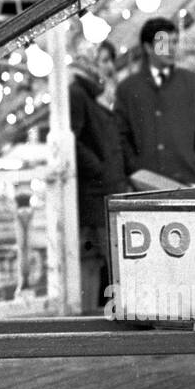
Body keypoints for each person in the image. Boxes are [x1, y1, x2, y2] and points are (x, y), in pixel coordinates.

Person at [114, 17, 195, 186]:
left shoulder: (194, 84)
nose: (171, 49)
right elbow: (121, 136)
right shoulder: (128, 89)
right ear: (148, 47)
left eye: (174, 42)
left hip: (189, 182)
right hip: (144, 185)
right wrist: (135, 168)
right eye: (164, 42)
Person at [68, 40, 131, 308]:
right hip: (97, 191)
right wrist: (100, 168)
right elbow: (76, 139)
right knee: (110, 256)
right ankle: (107, 314)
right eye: (100, 60)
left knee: (105, 257)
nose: (106, 67)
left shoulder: (96, 93)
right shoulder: (78, 93)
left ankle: (99, 313)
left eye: (107, 61)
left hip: (106, 187)